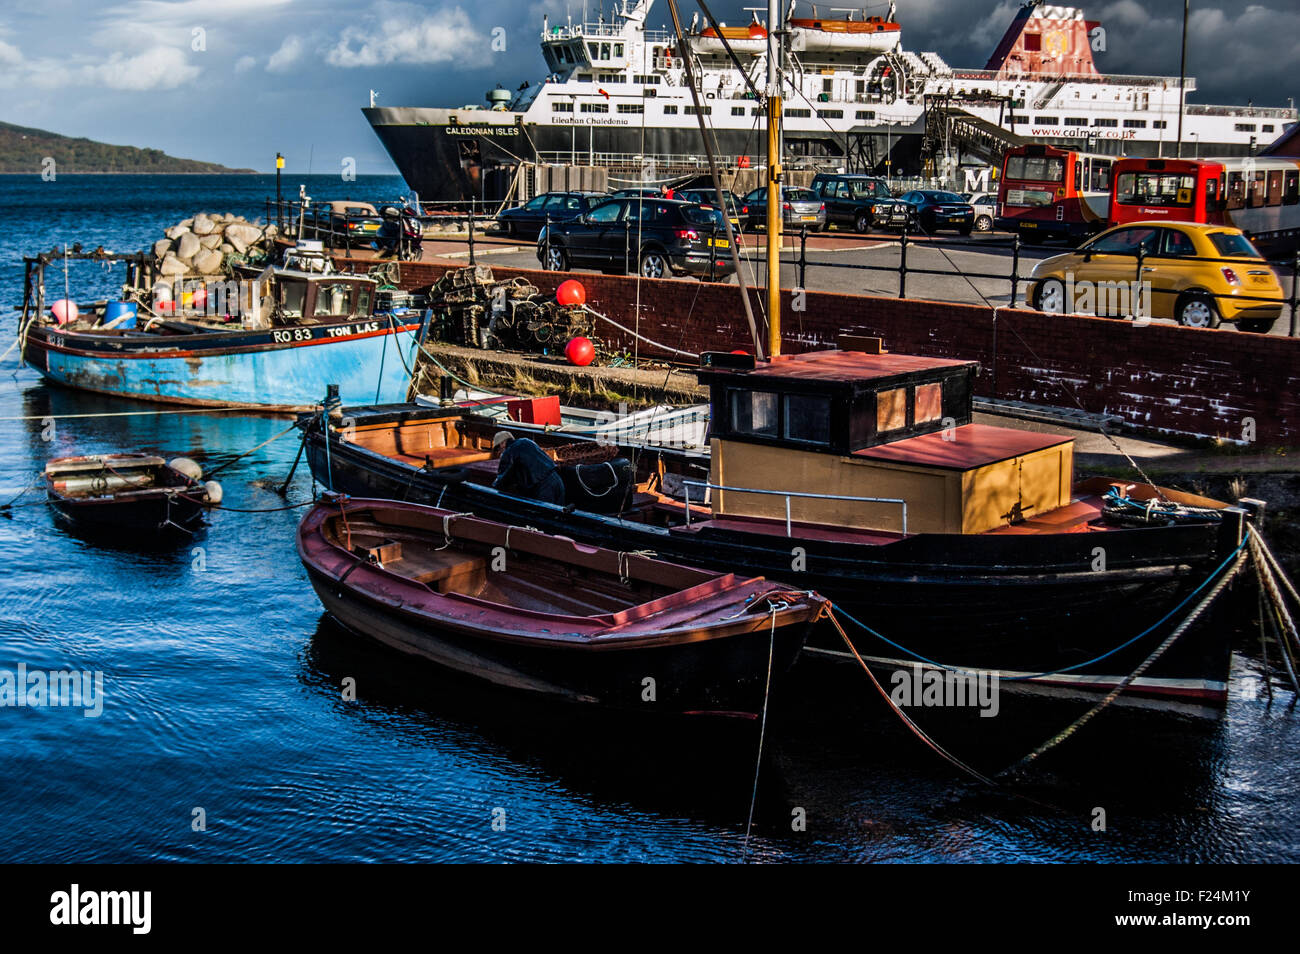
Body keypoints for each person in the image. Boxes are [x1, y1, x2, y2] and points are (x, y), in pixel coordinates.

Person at [490, 431, 565, 505]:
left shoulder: (509, 452)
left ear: (502, 443)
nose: (499, 452)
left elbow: (503, 478)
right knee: (558, 514)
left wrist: (492, 491)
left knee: (543, 515)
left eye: (498, 448)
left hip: (544, 488)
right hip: (557, 480)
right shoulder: (526, 441)